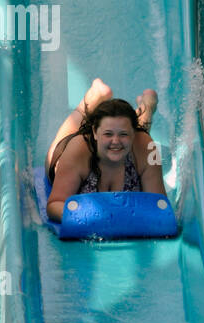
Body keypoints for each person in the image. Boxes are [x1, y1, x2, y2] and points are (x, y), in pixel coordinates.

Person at [45, 78, 166, 224]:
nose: (115, 141)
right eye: (108, 134)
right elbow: (55, 204)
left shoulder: (146, 145)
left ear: (134, 134)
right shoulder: (78, 149)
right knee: (74, 130)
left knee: (137, 130)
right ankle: (95, 95)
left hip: (133, 141)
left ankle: (147, 106)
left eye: (124, 134)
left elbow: (159, 205)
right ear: (95, 132)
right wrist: (88, 218)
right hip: (70, 157)